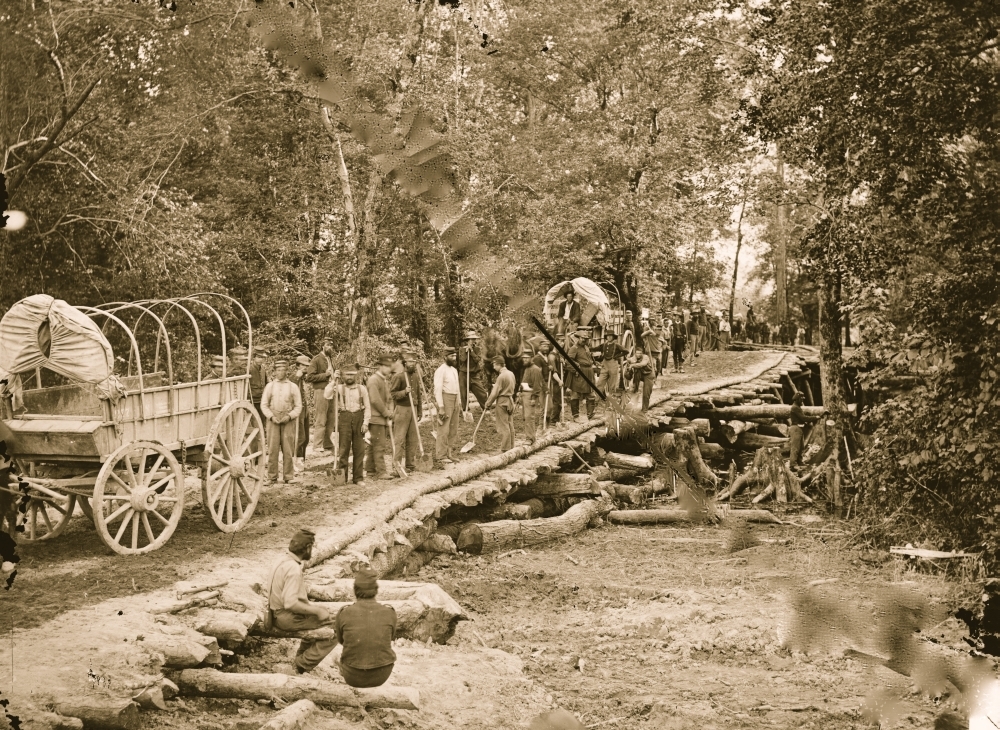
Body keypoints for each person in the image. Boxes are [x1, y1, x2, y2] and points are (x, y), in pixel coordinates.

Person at [267, 529, 338, 674]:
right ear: (307, 548)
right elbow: (290, 603)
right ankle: (302, 664)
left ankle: (301, 657)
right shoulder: (293, 569)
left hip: (274, 613)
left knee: (318, 616)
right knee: (337, 627)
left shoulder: (281, 560)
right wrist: (317, 611)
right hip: (286, 617)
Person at [335, 565, 398, 688]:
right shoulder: (389, 612)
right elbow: (390, 637)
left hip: (353, 677)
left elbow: (341, 641)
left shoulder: (344, 612)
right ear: (376, 590)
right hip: (382, 675)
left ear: (355, 590)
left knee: (336, 657)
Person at [327, 364, 370, 485]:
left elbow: (368, 407)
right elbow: (327, 394)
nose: (350, 377)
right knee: (343, 450)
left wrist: (366, 423)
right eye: (347, 374)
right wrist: (332, 382)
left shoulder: (362, 389)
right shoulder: (339, 388)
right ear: (342, 376)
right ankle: (342, 477)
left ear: (356, 375)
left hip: (359, 419)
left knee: (359, 450)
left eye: (352, 374)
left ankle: (358, 478)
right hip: (344, 419)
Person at [261, 359, 303, 484]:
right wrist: (271, 416)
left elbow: (298, 406)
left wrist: (290, 416)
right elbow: (264, 405)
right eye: (278, 370)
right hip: (273, 420)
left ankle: (288, 476)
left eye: (283, 370)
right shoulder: (270, 386)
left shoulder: (293, 387)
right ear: (274, 372)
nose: (280, 372)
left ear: (287, 371)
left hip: (288, 420)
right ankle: (272, 477)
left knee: (288, 449)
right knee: (273, 449)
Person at [390, 351, 421, 474]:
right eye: (409, 362)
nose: (412, 364)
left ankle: (410, 465)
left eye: (414, 362)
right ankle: (396, 466)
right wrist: (404, 392)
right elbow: (393, 394)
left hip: (413, 409)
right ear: (405, 363)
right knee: (400, 439)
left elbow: (419, 395)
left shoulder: (416, 376)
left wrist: (420, 411)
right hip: (402, 410)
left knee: (412, 439)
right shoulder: (399, 377)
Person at [365, 355, 395, 480]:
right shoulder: (373, 380)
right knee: (380, 445)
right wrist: (386, 413)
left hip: (382, 417)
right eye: (386, 366)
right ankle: (381, 472)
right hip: (376, 418)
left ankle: (370, 470)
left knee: (373, 445)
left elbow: (388, 398)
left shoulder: (383, 380)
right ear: (380, 366)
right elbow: (375, 400)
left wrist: (391, 411)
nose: (388, 369)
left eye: (389, 367)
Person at [304, 339, 335, 453]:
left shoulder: (330, 359)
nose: (330, 348)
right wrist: (325, 375)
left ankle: (327, 443)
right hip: (321, 391)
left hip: (332, 390)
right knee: (321, 418)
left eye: (331, 346)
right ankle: (317, 445)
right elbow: (309, 377)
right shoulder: (316, 359)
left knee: (331, 419)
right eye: (327, 345)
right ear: (323, 346)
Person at [433, 347, 460, 465]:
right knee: (444, 428)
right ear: (445, 357)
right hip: (445, 399)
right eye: (451, 356)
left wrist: (458, 402)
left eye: (455, 356)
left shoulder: (454, 370)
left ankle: (449, 453)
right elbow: (437, 389)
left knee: (453, 428)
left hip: (455, 399)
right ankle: (441, 455)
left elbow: (457, 388)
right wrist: (441, 407)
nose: (454, 358)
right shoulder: (440, 370)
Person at [484, 354, 517, 452]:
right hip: (510, 400)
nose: (493, 367)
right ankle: (511, 447)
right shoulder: (511, 374)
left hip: (502, 401)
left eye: (494, 365)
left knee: (503, 426)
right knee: (510, 424)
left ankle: (505, 449)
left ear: (499, 364)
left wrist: (488, 403)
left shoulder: (501, 376)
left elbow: (495, 392)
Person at [565, 328, 597, 421]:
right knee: (575, 395)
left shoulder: (586, 347)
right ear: (578, 338)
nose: (584, 340)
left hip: (588, 373)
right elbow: (568, 361)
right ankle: (576, 416)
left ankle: (590, 415)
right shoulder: (574, 348)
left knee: (591, 394)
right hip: (578, 374)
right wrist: (575, 371)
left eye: (586, 339)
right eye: (582, 338)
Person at [457, 331, 489, 412]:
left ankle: (485, 408)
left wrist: (471, 351)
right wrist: (466, 351)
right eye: (471, 339)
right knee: (463, 393)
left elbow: (477, 360)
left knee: (481, 392)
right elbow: (462, 360)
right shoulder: (462, 349)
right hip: (464, 374)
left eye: (474, 339)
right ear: (467, 340)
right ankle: (465, 410)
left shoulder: (477, 349)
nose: (473, 341)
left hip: (474, 374)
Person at [292, 356, 312, 473]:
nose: (305, 368)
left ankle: (302, 459)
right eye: (303, 365)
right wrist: (296, 377)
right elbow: (290, 389)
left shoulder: (304, 378)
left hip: (305, 409)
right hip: (297, 409)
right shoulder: (293, 378)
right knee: (299, 436)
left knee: (306, 437)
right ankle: (296, 461)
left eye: (306, 366)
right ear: (298, 366)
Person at [521, 351, 545, 443]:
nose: (525, 359)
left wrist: (534, 398)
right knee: (525, 417)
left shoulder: (535, 369)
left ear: (531, 359)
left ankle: (530, 439)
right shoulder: (527, 368)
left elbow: (537, 385)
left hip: (530, 395)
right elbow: (524, 381)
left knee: (529, 417)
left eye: (527, 358)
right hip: (524, 394)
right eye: (523, 358)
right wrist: (520, 393)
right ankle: (530, 437)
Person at [596, 332, 627, 397]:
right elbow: (596, 348)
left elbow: (626, 351)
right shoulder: (604, 345)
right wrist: (587, 349)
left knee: (612, 385)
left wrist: (617, 356)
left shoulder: (617, 345)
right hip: (605, 365)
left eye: (610, 336)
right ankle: (596, 400)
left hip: (613, 365)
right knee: (600, 383)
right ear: (606, 337)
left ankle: (611, 400)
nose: (609, 337)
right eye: (608, 336)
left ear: (613, 337)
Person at [249, 349, 270, 424]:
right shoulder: (249, 369)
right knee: (256, 421)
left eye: (262, 358)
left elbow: (266, 383)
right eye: (259, 357)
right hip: (253, 400)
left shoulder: (263, 369)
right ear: (254, 357)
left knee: (263, 419)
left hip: (262, 399)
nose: (261, 360)